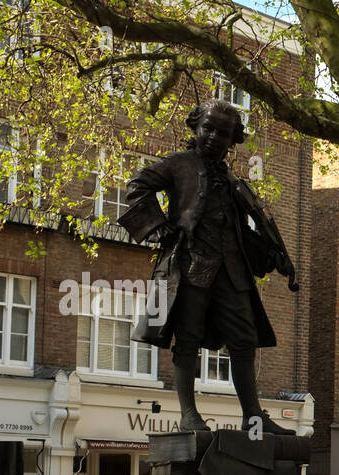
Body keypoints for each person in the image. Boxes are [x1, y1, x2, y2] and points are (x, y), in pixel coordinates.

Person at [119, 99, 297, 435]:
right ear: (196, 127)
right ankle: (189, 415)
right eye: (209, 129)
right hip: (190, 267)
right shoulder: (179, 164)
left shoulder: (233, 181)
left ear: (234, 140)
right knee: (187, 340)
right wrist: (157, 226)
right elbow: (137, 187)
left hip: (232, 272)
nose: (214, 137)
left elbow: (243, 231)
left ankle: (254, 418)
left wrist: (272, 255)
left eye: (223, 133)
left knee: (244, 341)